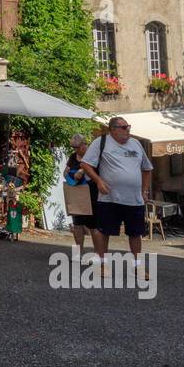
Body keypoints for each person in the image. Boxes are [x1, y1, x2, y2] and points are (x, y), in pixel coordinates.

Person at [80, 117, 153, 277]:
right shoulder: (102, 142)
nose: (128, 130)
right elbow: (85, 164)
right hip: (109, 198)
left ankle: (137, 267)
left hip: (134, 199)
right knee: (103, 231)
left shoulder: (136, 144)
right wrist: (98, 181)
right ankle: (103, 264)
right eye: (124, 127)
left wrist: (145, 190)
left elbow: (147, 168)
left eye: (128, 127)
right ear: (113, 129)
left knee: (135, 233)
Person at [64, 134, 100, 254]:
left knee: (93, 225)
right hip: (76, 193)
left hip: (91, 193)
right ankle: (78, 253)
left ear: (85, 144)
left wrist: (83, 170)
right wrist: (67, 173)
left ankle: (97, 254)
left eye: (77, 147)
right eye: (73, 147)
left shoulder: (93, 156)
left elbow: (94, 169)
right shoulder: (73, 157)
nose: (75, 149)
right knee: (77, 224)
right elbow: (66, 171)